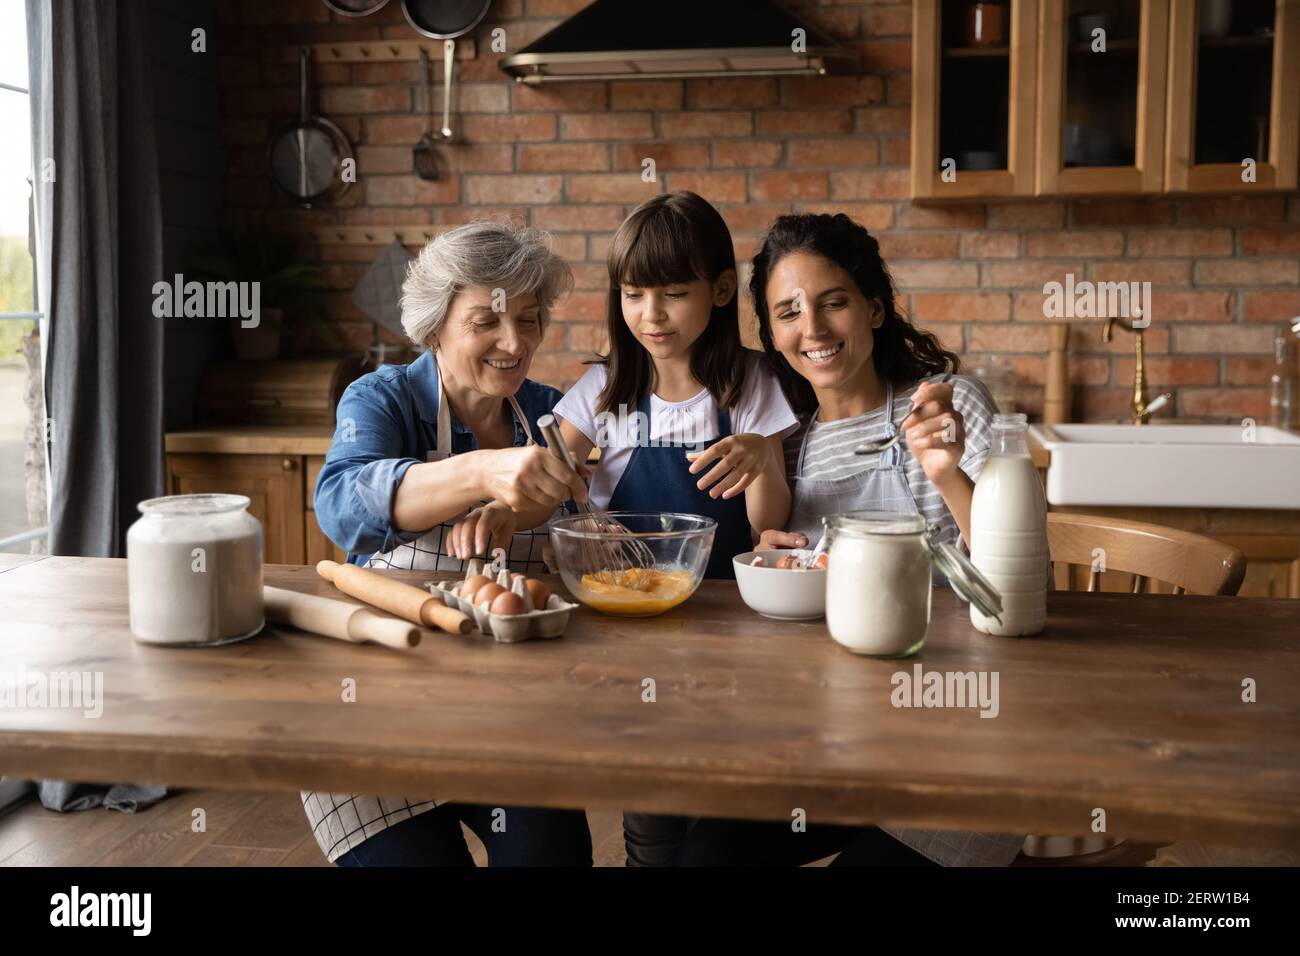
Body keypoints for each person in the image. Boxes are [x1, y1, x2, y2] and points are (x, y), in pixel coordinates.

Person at [677, 212, 1025, 867]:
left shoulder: (947, 409)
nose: (811, 328)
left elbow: (1015, 589)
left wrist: (945, 471)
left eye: (832, 302)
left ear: (872, 309)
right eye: (787, 311)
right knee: (707, 856)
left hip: (963, 746)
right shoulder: (791, 448)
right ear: (772, 334)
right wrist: (784, 566)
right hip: (842, 743)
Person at [303, 220, 593, 866]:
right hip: (376, 725)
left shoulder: (548, 413)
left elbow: (589, 539)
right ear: (435, 326)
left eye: (528, 318)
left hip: (509, 726)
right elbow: (341, 504)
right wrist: (482, 472)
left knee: (552, 858)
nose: (514, 343)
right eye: (486, 322)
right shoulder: (381, 399)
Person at [550, 192, 800, 865]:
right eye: (633, 295)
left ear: (720, 292)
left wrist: (763, 456)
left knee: (722, 797)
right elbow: (549, 482)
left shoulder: (752, 385)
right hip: (631, 623)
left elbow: (768, 526)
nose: (650, 315)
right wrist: (534, 504)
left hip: (729, 629)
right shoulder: (603, 393)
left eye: (671, 294)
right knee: (652, 791)